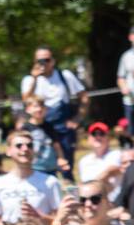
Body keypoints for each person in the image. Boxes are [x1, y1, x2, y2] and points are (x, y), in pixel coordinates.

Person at [20, 46, 87, 179]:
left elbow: (84, 97)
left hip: (63, 128)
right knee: (40, 170)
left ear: (53, 61)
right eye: (39, 60)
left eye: (47, 60)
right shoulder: (28, 80)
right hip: (40, 131)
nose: (43, 63)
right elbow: (26, 101)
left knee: (66, 168)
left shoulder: (65, 76)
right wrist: (34, 79)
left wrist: (78, 119)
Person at [19, 94, 68, 178]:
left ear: (45, 109)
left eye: (42, 106)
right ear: (28, 109)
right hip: (34, 167)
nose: (39, 109)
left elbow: (56, 144)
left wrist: (61, 158)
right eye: (35, 106)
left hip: (50, 167)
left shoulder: (49, 126)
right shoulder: (25, 128)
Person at [77, 122, 125, 187]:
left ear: (108, 138)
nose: (98, 137)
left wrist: (91, 186)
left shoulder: (117, 154)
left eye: (101, 134)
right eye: (94, 134)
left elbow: (111, 170)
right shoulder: (83, 161)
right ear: (89, 138)